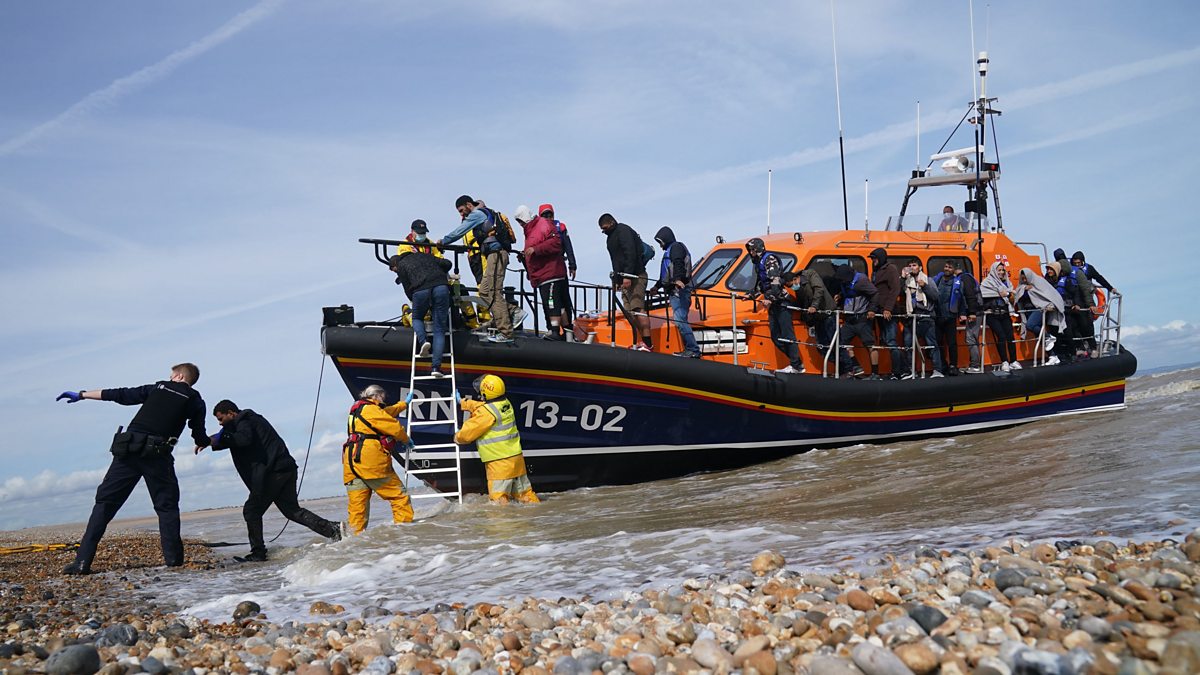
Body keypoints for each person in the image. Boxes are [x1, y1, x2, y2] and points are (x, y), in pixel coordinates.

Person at [56, 363, 209, 574]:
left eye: (171, 374)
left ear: (179, 376)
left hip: (128, 450)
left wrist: (82, 395)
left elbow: (120, 394)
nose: (169, 377)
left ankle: (81, 563)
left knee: (105, 505)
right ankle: (174, 562)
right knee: (166, 508)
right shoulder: (195, 400)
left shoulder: (157, 388)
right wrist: (204, 441)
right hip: (158, 455)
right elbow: (198, 430)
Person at [199, 400, 341, 561]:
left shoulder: (244, 421)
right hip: (286, 469)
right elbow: (230, 436)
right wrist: (209, 441)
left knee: (251, 511)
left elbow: (243, 439)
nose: (220, 423)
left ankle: (258, 553)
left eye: (221, 419)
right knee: (292, 511)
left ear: (231, 413)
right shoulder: (249, 420)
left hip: (273, 473)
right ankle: (334, 530)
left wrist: (217, 439)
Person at [453, 375, 539, 504]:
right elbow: (483, 407)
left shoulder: (486, 413)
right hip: (516, 460)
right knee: (525, 495)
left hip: (499, 463)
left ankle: (501, 524)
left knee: (499, 501)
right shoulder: (506, 404)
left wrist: (456, 437)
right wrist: (463, 402)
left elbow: (467, 434)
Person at [440, 196, 515, 343]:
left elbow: (460, 231)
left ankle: (506, 333)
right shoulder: (486, 213)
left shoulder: (477, 214)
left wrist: (443, 241)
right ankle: (512, 311)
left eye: (462, 210)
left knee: (493, 291)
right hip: (493, 255)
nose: (461, 214)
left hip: (496, 254)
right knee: (484, 291)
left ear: (469, 205)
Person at [343, 384, 414, 533]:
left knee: (358, 510)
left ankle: (353, 544)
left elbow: (386, 413)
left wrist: (404, 405)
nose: (384, 399)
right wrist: (406, 439)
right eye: (383, 397)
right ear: (377, 396)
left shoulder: (358, 410)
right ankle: (406, 534)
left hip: (351, 465)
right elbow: (393, 426)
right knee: (399, 496)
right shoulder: (371, 410)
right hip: (370, 462)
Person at [390, 248, 454, 376]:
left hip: (420, 291)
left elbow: (408, 290)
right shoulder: (425, 255)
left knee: (417, 318)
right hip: (441, 286)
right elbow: (447, 263)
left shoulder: (402, 266)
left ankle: (424, 341)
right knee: (439, 329)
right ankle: (436, 368)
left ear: (395, 265)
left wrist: (417, 303)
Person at [744, 238, 803, 374]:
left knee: (787, 335)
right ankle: (796, 363)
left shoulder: (770, 259)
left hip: (781, 302)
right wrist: (751, 295)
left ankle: (796, 366)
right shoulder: (759, 263)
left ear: (758, 249)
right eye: (750, 250)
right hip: (773, 303)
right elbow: (762, 284)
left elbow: (775, 282)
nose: (751, 252)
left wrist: (770, 298)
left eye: (752, 249)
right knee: (775, 337)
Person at [518, 206, 574, 341]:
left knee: (552, 302)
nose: (548, 217)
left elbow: (557, 244)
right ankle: (567, 334)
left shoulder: (545, 226)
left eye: (550, 214)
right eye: (545, 214)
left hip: (550, 272)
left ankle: (555, 331)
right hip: (545, 272)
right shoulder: (532, 230)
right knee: (558, 304)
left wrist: (535, 249)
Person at [598, 213, 652, 351]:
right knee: (629, 312)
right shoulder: (610, 239)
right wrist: (617, 280)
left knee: (637, 308)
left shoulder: (623, 230)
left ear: (611, 223)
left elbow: (630, 253)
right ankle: (640, 341)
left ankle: (648, 343)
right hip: (624, 279)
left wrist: (628, 275)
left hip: (636, 276)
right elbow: (615, 261)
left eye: (604, 228)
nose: (603, 231)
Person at [652, 226, 699, 358]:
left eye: (660, 242)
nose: (660, 246)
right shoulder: (671, 250)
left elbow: (678, 263)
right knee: (680, 319)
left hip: (680, 291)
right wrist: (657, 286)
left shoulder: (676, 248)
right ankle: (689, 349)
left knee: (680, 319)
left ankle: (693, 350)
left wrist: (678, 280)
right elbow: (666, 275)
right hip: (674, 290)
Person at [932, 260, 983, 373]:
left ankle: (953, 366)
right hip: (938, 316)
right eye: (946, 266)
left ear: (954, 269)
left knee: (952, 343)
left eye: (950, 267)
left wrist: (963, 314)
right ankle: (942, 364)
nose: (947, 269)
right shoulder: (938, 280)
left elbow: (961, 300)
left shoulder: (958, 282)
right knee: (938, 342)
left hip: (950, 316)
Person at [900, 260, 945, 378]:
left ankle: (937, 370)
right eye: (909, 266)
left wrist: (925, 287)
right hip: (910, 317)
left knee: (931, 344)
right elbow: (899, 293)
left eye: (914, 265)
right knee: (908, 345)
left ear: (920, 267)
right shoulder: (906, 281)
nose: (911, 268)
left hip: (926, 317)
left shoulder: (928, 280)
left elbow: (936, 296)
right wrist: (901, 278)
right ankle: (911, 371)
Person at [1014, 267, 1067, 366]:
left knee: (1030, 325)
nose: (1025, 280)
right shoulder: (1022, 286)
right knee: (1038, 334)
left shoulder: (1039, 282)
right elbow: (1017, 294)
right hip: (1027, 310)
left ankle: (1049, 337)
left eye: (1026, 278)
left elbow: (1050, 294)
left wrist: (1051, 306)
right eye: (1023, 279)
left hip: (1039, 308)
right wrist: (1023, 289)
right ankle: (1053, 356)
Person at [834, 263, 878, 378]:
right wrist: (840, 296)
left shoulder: (861, 280)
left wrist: (872, 309)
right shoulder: (844, 282)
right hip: (849, 320)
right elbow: (848, 294)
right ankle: (856, 367)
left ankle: (875, 373)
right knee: (842, 342)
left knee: (870, 345)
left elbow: (875, 294)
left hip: (862, 319)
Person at [867, 248, 905, 379]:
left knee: (891, 341)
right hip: (879, 312)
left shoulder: (891, 269)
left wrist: (888, 308)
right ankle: (896, 370)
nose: (873, 261)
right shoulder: (875, 271)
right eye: (872, 259)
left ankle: (898, 371)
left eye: (875, 258)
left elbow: (895, 289)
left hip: (888, 312)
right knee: (886, 341)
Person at [784, 268, 837, 359]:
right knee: (822, 346)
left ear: (795, 279)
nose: (792, 287)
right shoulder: (799, 288)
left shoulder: (810, 275)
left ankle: (848, 368)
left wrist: (814, 306)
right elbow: (802, 303)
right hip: (817, 318)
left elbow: (819, 289)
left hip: (827, 313)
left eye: (791, 285)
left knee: (835, 344)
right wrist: (788, 297)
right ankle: (839, 368)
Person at [1053, 248, 1096, 357]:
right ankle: (1080, 347)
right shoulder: (1058, 276)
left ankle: (1093, 347)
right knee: (1073, 328)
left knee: (1086, 326)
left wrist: (1090, 304)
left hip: (1080, 305)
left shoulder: (1077, 273)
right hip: (1068, 307)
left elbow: (1085, 290)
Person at [980, 260, 1020, 372]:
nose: (1002, 272)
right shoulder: (986, 283)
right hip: (992, 315)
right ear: (994, 271)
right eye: (999, 270)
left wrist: (1007, 294)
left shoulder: (1008, 284)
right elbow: (983, 297)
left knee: (1010, 337)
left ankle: (1013, 360)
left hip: (1005, 313)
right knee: (1001, 336)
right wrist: (1001, 294)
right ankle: (1004, 361)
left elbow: (1012, 298)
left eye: (1003, 270)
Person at [538, 204, 578, 281]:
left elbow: (568, 248)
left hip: (559, 266)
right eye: (545, 216)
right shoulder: (537, 231)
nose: (548, 218)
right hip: (544, 268)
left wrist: (572, 266)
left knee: (563, 292)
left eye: (550, 215)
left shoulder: (561, 227)